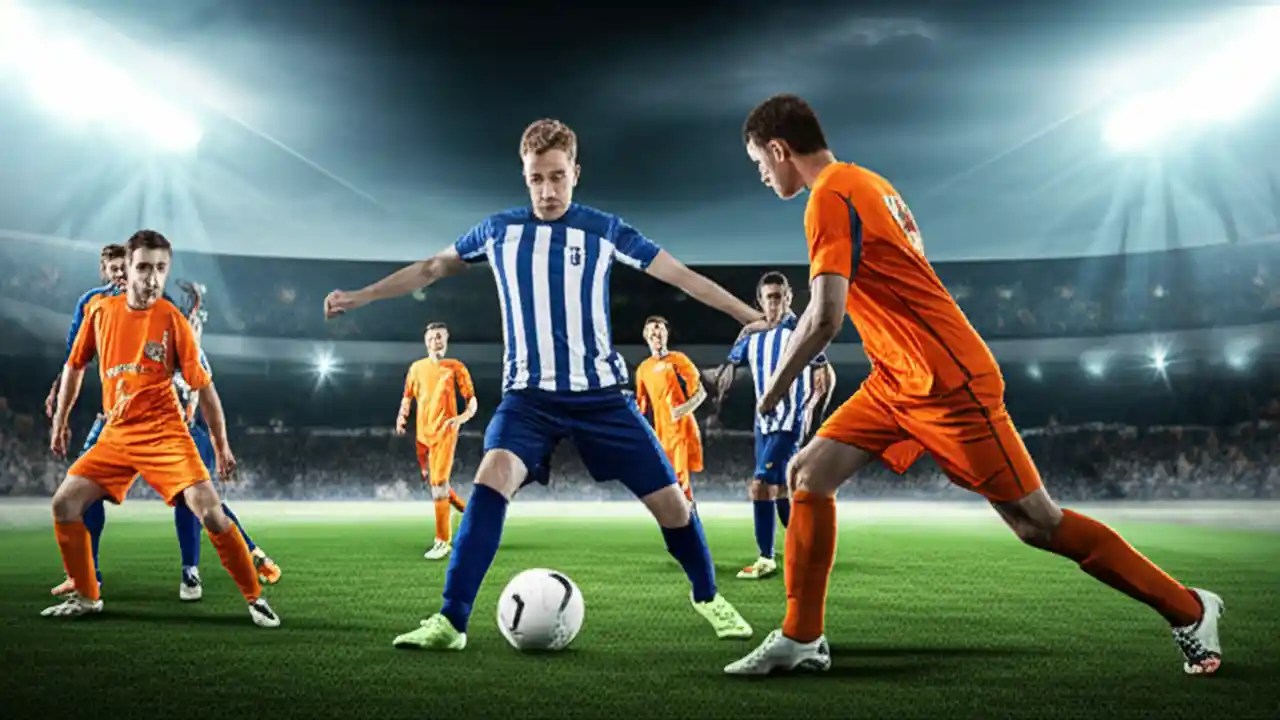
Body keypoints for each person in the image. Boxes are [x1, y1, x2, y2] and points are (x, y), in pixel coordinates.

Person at [724, 94, 1222, 676]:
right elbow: (855, 297)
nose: (762, 175)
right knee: (807, 473)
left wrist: (774, 386)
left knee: (1038, 523)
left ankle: (1189, 610)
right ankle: (801, 637)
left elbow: (825, 316)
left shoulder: (829, 196)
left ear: (779, 149)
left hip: (947, 383)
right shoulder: (868, 184)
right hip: (898, 379)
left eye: (759, 162)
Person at [325, 118, 762, 650]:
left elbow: (682, 277)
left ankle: (708, 597)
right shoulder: (499, 231)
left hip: (601, 398)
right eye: (537, 179)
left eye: (557, 177)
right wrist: (362, 296)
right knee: (491, 478)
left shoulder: (602, 230)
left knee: (673, 504)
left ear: (575, 173)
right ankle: (451, 621)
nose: (548, 191)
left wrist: (749, 316)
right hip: (528, 400)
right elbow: (432, 267)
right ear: (524, 176)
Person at [44, 229, 279, 628]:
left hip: (165, 433)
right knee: (64, 504)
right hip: (116, 433)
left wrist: (221, 445)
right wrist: (60, 420)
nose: (151, 278)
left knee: (211, 513)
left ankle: (255, 599)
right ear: (126, 269)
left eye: (160, 268)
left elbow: (205, 389)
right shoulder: (99, 311)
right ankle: (86, 595)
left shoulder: (172, 320)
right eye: (143, 268)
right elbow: (74, 366)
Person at [711, 271, 833, 580]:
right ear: (761, 301)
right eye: (769, 298)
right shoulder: (752, 336)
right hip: (762, 424)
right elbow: (726, 368)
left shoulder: (802, 333)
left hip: (789, 421)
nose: (775, 302)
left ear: (789, 298)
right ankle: (806, 548)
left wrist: (813, 414)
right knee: (778, 489)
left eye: (780, 296)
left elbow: (823, 375)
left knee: (760, 485)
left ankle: (766, 558)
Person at [397, 321, 476, 559]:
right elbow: (407, 396)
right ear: (426, 341)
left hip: (445, 432)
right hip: (423, 434)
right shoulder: (416, 368)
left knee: (438, 485)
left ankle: (443, 541)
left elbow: (471, 400)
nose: (435, 342)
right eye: (431, 338)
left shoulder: (455, 367)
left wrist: (461, 418)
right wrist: (402, 416)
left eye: (439, 337)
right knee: (438, 485)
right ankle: (474, 516)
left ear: (447, 339)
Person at [634, 315, 706, 502]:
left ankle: (689, 517)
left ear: (666, 334)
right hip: (661, 434)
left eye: (659, 329)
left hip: (680, 429)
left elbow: (701, 393)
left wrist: (682, 410)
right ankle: (684, 518)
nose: (655, 333)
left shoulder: (678, 360)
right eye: (651, 330)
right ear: (645, 335)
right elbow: (641, 406)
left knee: (681, 484)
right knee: (668, 485)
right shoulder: (643, 369)